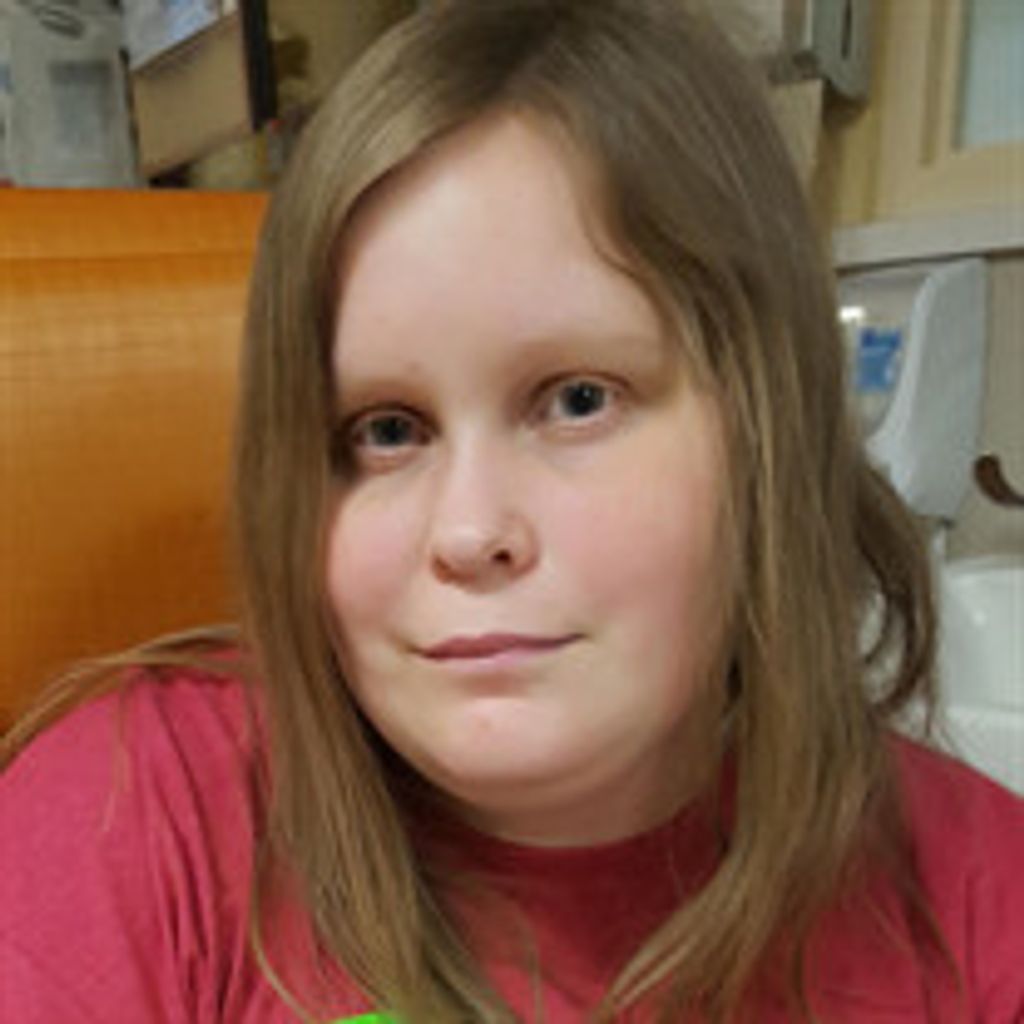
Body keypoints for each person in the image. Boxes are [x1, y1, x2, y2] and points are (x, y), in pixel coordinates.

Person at [3, 2, 1023, 1021]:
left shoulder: (979, 902)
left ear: (766, 431)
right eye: (386, 429)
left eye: (577, 401)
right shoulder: (133, 818)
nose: (467, 532)